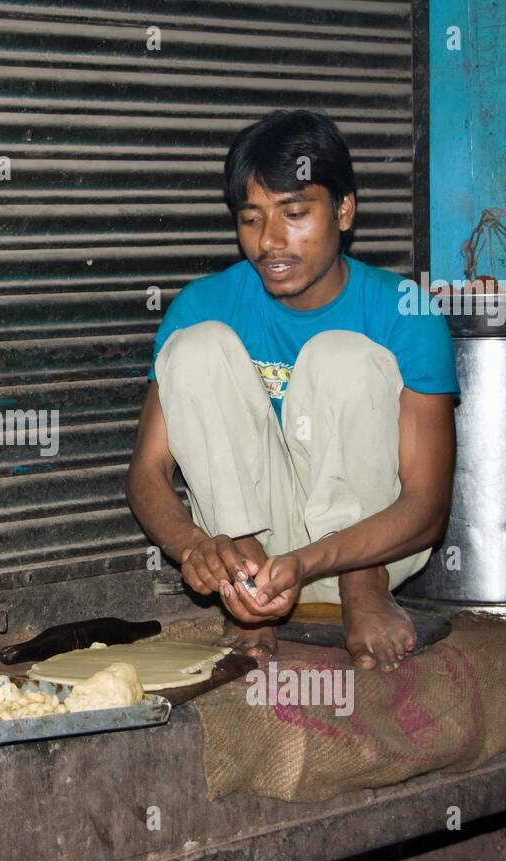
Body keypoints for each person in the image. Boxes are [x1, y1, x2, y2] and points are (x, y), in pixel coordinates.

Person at [126, 110, 459, 673]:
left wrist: (319, 563)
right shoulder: (203, 306)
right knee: (194, 347)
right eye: (250, 219)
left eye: (295, 213)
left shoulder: (404, 309)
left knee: (341, 354)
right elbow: (146, 474)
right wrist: (198, 549)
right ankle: (248, 594)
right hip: (262, 554)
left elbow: (427, 510)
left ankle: (363, 591)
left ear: (345, 210)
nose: (270, 241)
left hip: (370, 549)